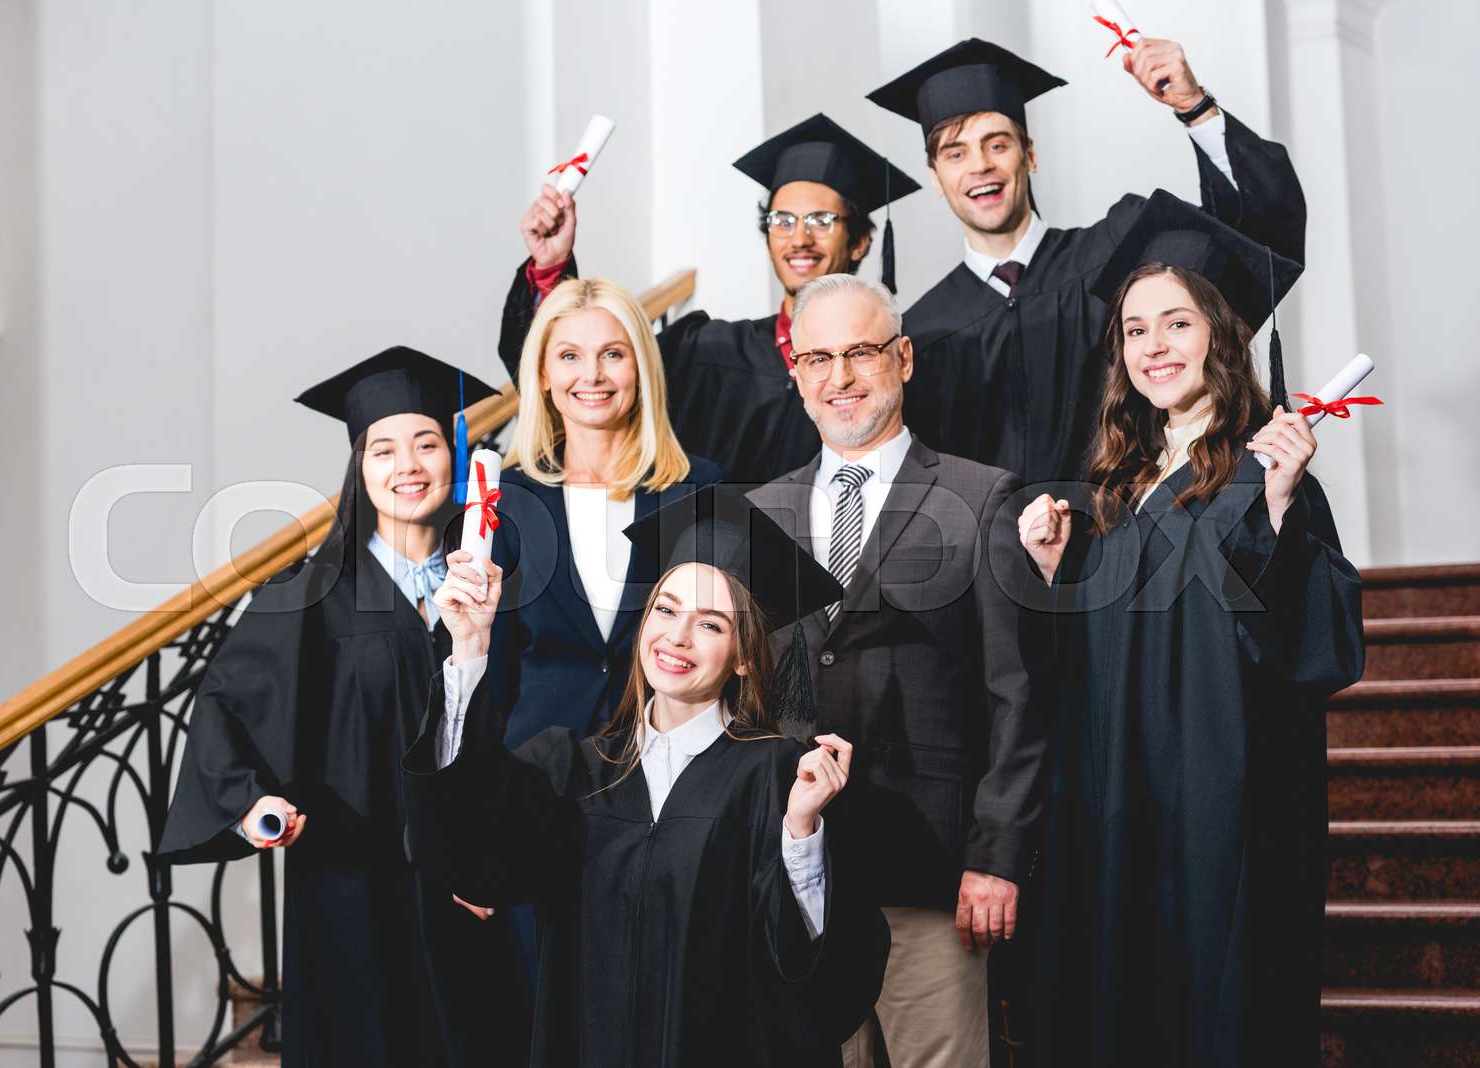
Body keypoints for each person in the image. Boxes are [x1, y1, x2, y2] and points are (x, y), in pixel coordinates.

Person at [1017, 191, 1365, 1067]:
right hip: (1119, 809)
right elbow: (1097, 669)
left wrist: (1277, 519)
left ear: (1221, 332)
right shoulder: (1118, 485)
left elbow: (1315, 650)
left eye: (1176, 322)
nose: (1154, 347)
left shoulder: (1267, 471)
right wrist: (1064, 574)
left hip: (1221, 810)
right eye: (1136, 330)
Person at [404, 485, 890, 1066]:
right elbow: (470, 852)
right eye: (665, 610)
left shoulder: (784, 778)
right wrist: (470, 647)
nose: (677, 637)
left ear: (742, 655)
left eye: (710, 624)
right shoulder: (573, 769)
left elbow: (828, 979)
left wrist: (803, 834)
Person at [156, 347, 527, 1067]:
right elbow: (228, 704)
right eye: (383, 449)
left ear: (454, 458)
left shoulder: (492, 586)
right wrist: (252, 803)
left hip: (464, 881)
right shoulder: (311, 592)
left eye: (425, 444)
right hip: (351, 875)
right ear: (359, 469)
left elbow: (522, 725)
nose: (408, 465)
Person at [748, 274, 1051, 1068]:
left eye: (860, 352)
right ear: (796, 374)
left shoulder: (980, 497)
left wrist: (996, 855)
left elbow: (1017, 694)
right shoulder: (761, 513)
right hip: (800, 869)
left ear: (904, 357)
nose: (839, 377)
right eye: (817, 358)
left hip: (932, 872)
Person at [867, 37, 1308, 484]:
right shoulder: (921, 331)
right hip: (995, 551)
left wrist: (1194, 107)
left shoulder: (1120, 251)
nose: (980, 165)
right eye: (956, 153)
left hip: (1131, 537)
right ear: (936, 178)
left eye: (997, 145)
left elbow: (1257, 235)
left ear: (1031, 155)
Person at [499, 113, 920, 485]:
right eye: (783, 220)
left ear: (861, 241)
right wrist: (551, 268)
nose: (800, 238)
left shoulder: (888, 363)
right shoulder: (703, 351)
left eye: (821, 221)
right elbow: (565, 374)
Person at [493, 277, 721, 748]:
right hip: (537, 770)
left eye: (613, 354)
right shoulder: (511, 497)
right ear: (542, 374)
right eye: (570, 356)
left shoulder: (697, 489)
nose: (592, 375)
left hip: (662, 760)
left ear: (640, 367)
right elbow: (497, 660)